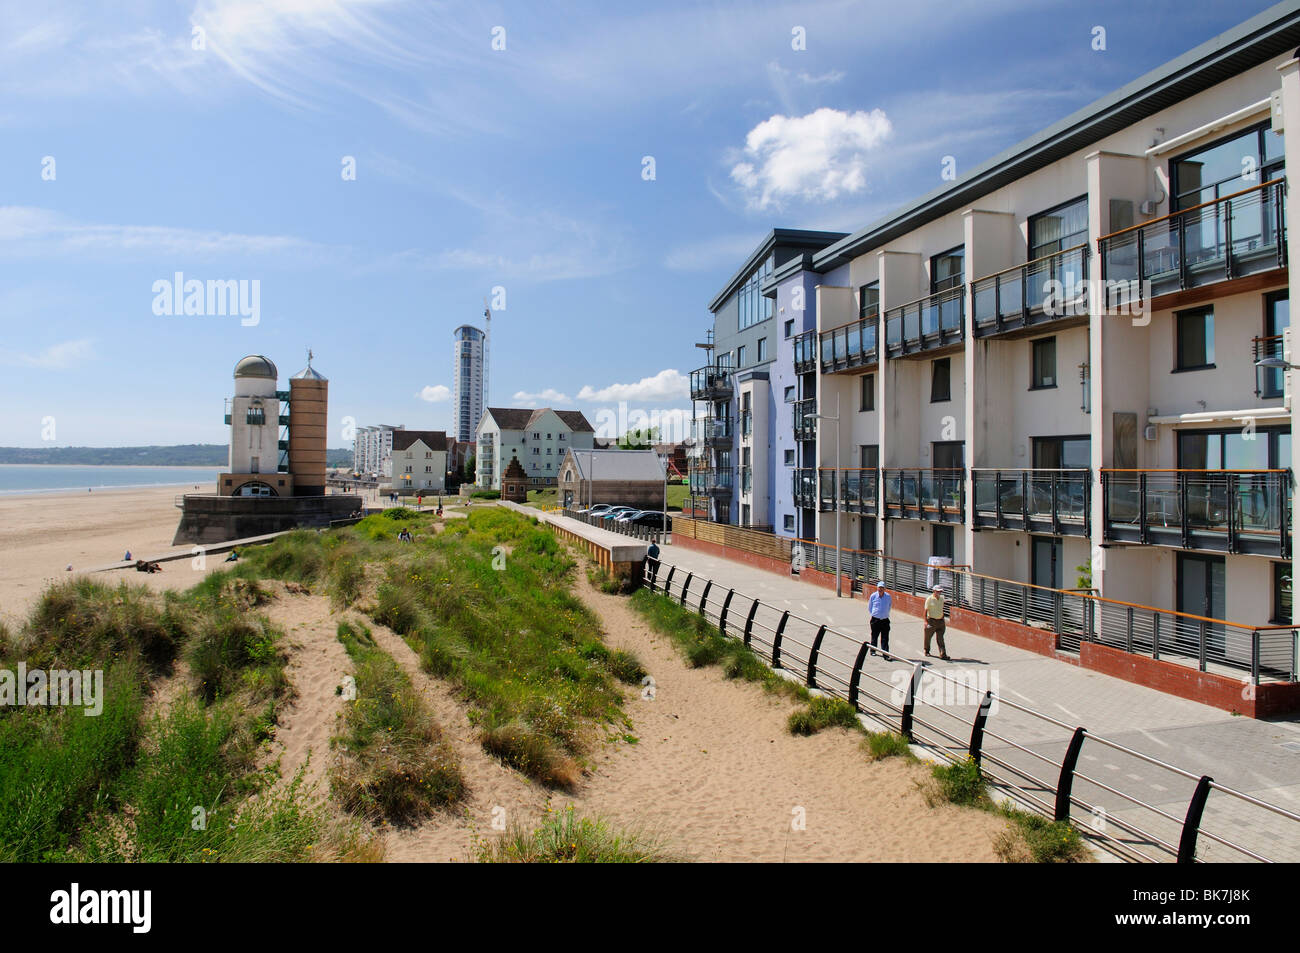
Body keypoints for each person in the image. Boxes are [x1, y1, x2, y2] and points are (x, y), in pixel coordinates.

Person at [924, 584, 951, 660]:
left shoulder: (942, 599)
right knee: (928, 637)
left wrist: (942, 618)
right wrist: (925, 621)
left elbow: (941, 608)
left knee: (940, 638)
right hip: (931, 621)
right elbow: (925, 610)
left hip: (940, 621)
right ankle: (927, 650)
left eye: (940, 591)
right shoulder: (929, 599)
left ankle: (943, 653)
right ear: (934, 591)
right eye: (938, 591)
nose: (939, 593)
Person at [867, 581, 892, 657]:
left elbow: (889, 606)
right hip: (875, 620)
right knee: (874, 636)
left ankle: (885, 654)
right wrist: (875, 614)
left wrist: (884, 614)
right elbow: (870, 607)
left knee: (885, 637)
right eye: (879, 587)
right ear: (877, 588)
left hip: (885, 620)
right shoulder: (873, 596)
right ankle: (873, 650)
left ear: (884, 589)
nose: (880, 589)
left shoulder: (888, 596)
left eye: (882, 588)